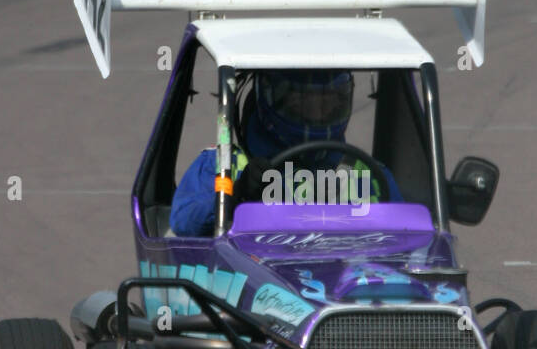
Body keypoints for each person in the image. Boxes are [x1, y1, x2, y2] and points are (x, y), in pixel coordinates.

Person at [169, 69, 402, 237]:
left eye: (328, 103)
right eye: (302, 103)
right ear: (270, 97)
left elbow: (406, 236)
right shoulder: (224, 164)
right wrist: (236, 195)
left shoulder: (368, 175)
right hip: (251, 293)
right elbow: (184, 221)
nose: (317, 113)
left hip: (341, 290)